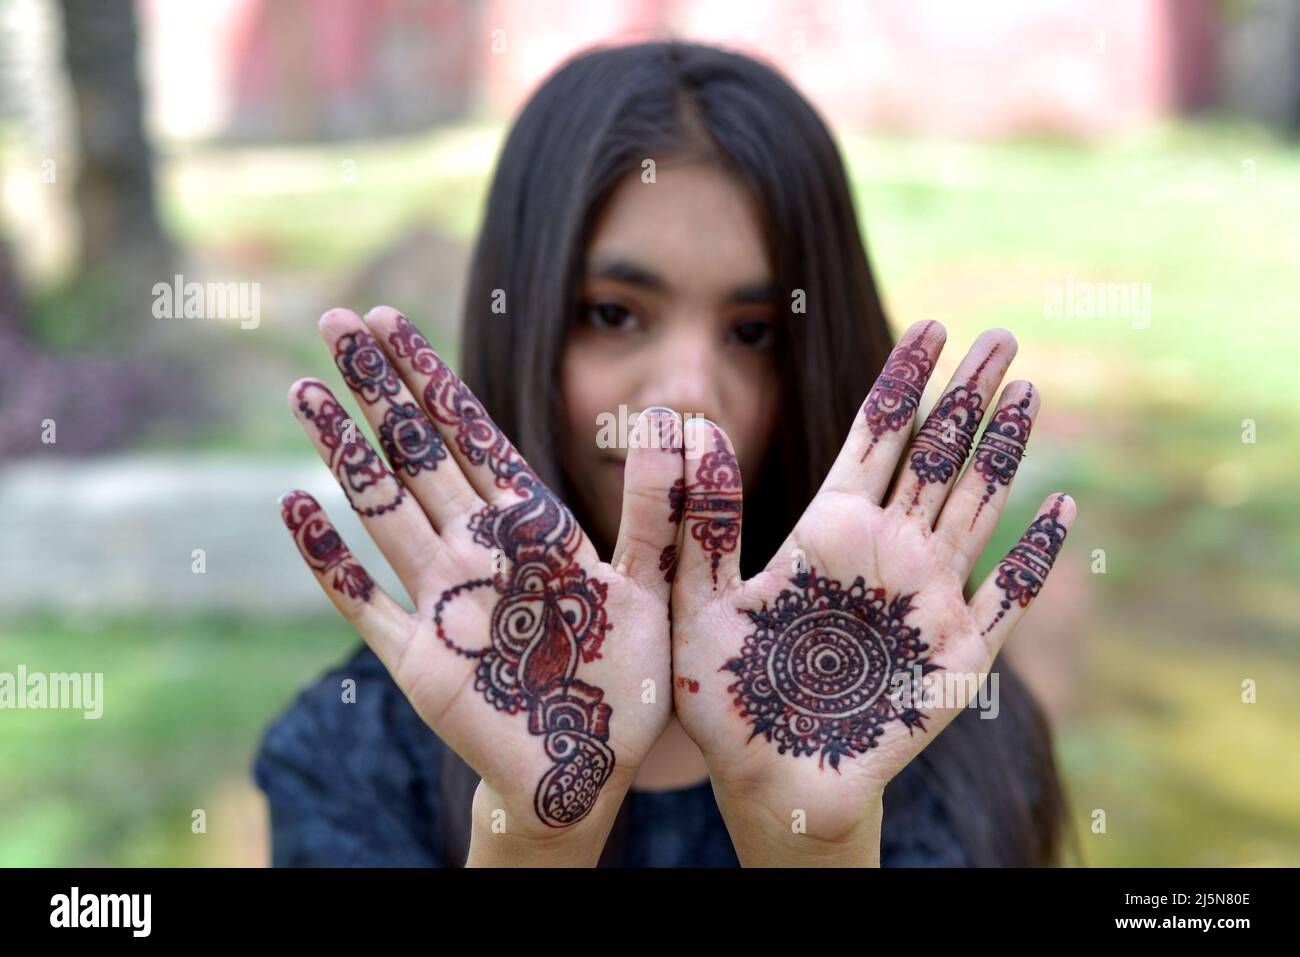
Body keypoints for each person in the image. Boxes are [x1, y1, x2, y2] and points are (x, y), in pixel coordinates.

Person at [254, 40, 1077, 867]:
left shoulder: (946, 743)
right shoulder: (348, 761)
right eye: (614, 314)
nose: (687, 393)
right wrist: (538, 834)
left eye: (753, 332)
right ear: (527, 323)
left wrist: (813, 847)